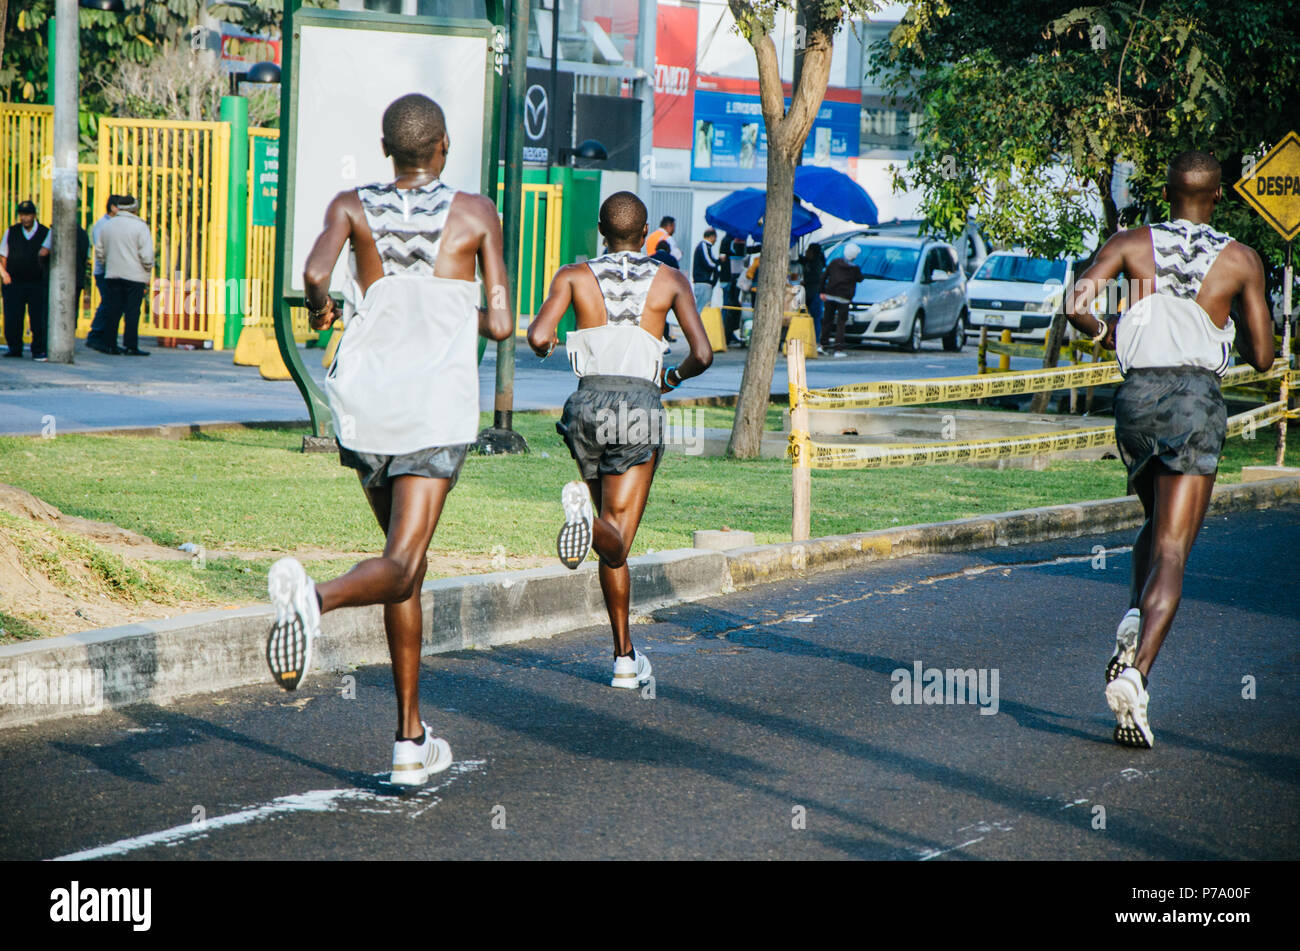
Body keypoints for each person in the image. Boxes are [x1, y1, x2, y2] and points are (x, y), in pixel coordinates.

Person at [263, 93, 513, 786]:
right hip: (433, 406)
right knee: (402, 565)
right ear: (442, 148)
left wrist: (324, 310)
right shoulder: (476, 213)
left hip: (366, 407)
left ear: (385, 148)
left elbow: (315, 275)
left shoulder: (349, 205)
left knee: (406, 564)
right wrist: (468, 304)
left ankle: (409, 740)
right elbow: (500, 323)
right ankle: (313, 601)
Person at [1064, 149, 1274, 749]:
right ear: (1218, 196)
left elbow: (1078, 303)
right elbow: (1263, 356)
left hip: (1136, 399)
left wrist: (1106, 332)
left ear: (1167, 190)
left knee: (1156, 523)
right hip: (1194, 400)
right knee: (1176, 550)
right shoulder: (1239, 259)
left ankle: (1134, 613)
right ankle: (1137, 675)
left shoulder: (1132, 243)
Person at [527, 191, 713, 689]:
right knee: (617, 536)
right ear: (646, 229)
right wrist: (670, 379)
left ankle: (625, 658)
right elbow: (704, 353)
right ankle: (585, 522)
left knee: (612, 546)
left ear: (600, 229)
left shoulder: (572, 275)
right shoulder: (670, 279)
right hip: (637, 406)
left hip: (586, 405)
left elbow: (539, 335)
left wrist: (552, 345)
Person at [90, 195, 154, 356]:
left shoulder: (107, 226)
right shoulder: (140, 227)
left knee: (114, 310)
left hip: (113, 274)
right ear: (134, 209)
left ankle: (110, 344)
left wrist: (107, 265)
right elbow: (147, 255)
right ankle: (130, 346)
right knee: (132, 312)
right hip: (135, 276)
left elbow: (99, 251)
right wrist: (147, 271)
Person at [1, 200, 51, 360]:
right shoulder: (11, 231)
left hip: (36, 281)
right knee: (13, 316)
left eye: (28, 214)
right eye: (22, 215)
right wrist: (5, 275)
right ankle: (14, 348)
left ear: (34, 215)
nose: (24, 218)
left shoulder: (45, 232)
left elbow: (46, 253)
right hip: (14, 281)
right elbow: (4, 255)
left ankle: (38, 349)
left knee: (38, 317)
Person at [87, 195, 120, 351]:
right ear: (113, 207)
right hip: (104, 271)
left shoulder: (113, 224)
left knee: (111, 302)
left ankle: (104, 336)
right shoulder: (102, 225)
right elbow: (102, 249)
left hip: (112, 270)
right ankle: (95, 334)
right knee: (107, 302)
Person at [820, 243, 863, 358]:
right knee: (841, 324)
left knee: (827, 321)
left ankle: (823, 345)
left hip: (830, 295)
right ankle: (838, 349)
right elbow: (860, 279)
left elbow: (824, 276)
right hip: (844, 298)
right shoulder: (855, 269)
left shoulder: (834, 263)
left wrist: (822, 291)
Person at [802, 241, 826, 353]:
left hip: (815, 294)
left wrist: (805, 281)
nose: (806, 252)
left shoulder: (816, 264)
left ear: (812, 252)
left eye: (808, 251)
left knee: (815, 319)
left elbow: (816, 278)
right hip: (810, 293)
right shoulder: (808, 262)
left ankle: (815, 341)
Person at [692, 227, 720, 314]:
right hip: (703, 282)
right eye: (715, 238)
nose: (715, 240)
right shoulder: (703, 245)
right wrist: (717, 266)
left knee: (703, 308)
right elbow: (708, 262)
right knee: (703, 310)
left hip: (702, 282)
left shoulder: (707, 247)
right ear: (711, 236)